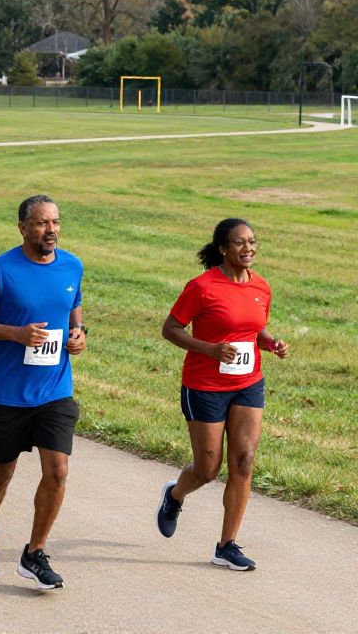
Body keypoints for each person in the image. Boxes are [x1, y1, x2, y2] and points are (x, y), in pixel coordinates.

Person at [0, 194, 86, 591]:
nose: (50, 230)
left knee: (58, 470)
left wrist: (80, 333)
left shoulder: (72, 265)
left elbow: (73, 303)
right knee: (2, 471)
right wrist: (14, 334)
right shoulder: (1, 271)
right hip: (6, 393)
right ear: (22, 228)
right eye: (41, 223)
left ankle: (35, 553)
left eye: (55, 222)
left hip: (54, 389)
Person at [156, 218, 289, 572]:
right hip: (205, 385)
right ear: (223, 249)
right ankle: (174, 495)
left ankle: (226, 545)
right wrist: (209, 349)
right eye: (240, 243)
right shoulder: (202, 287)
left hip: (248, 381)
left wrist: (271, 342)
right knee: (207, 468)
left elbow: (254, 329)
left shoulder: (261, 287)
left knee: (243, 460)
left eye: (252, 242)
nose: (249, 248)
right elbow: (170, 329)